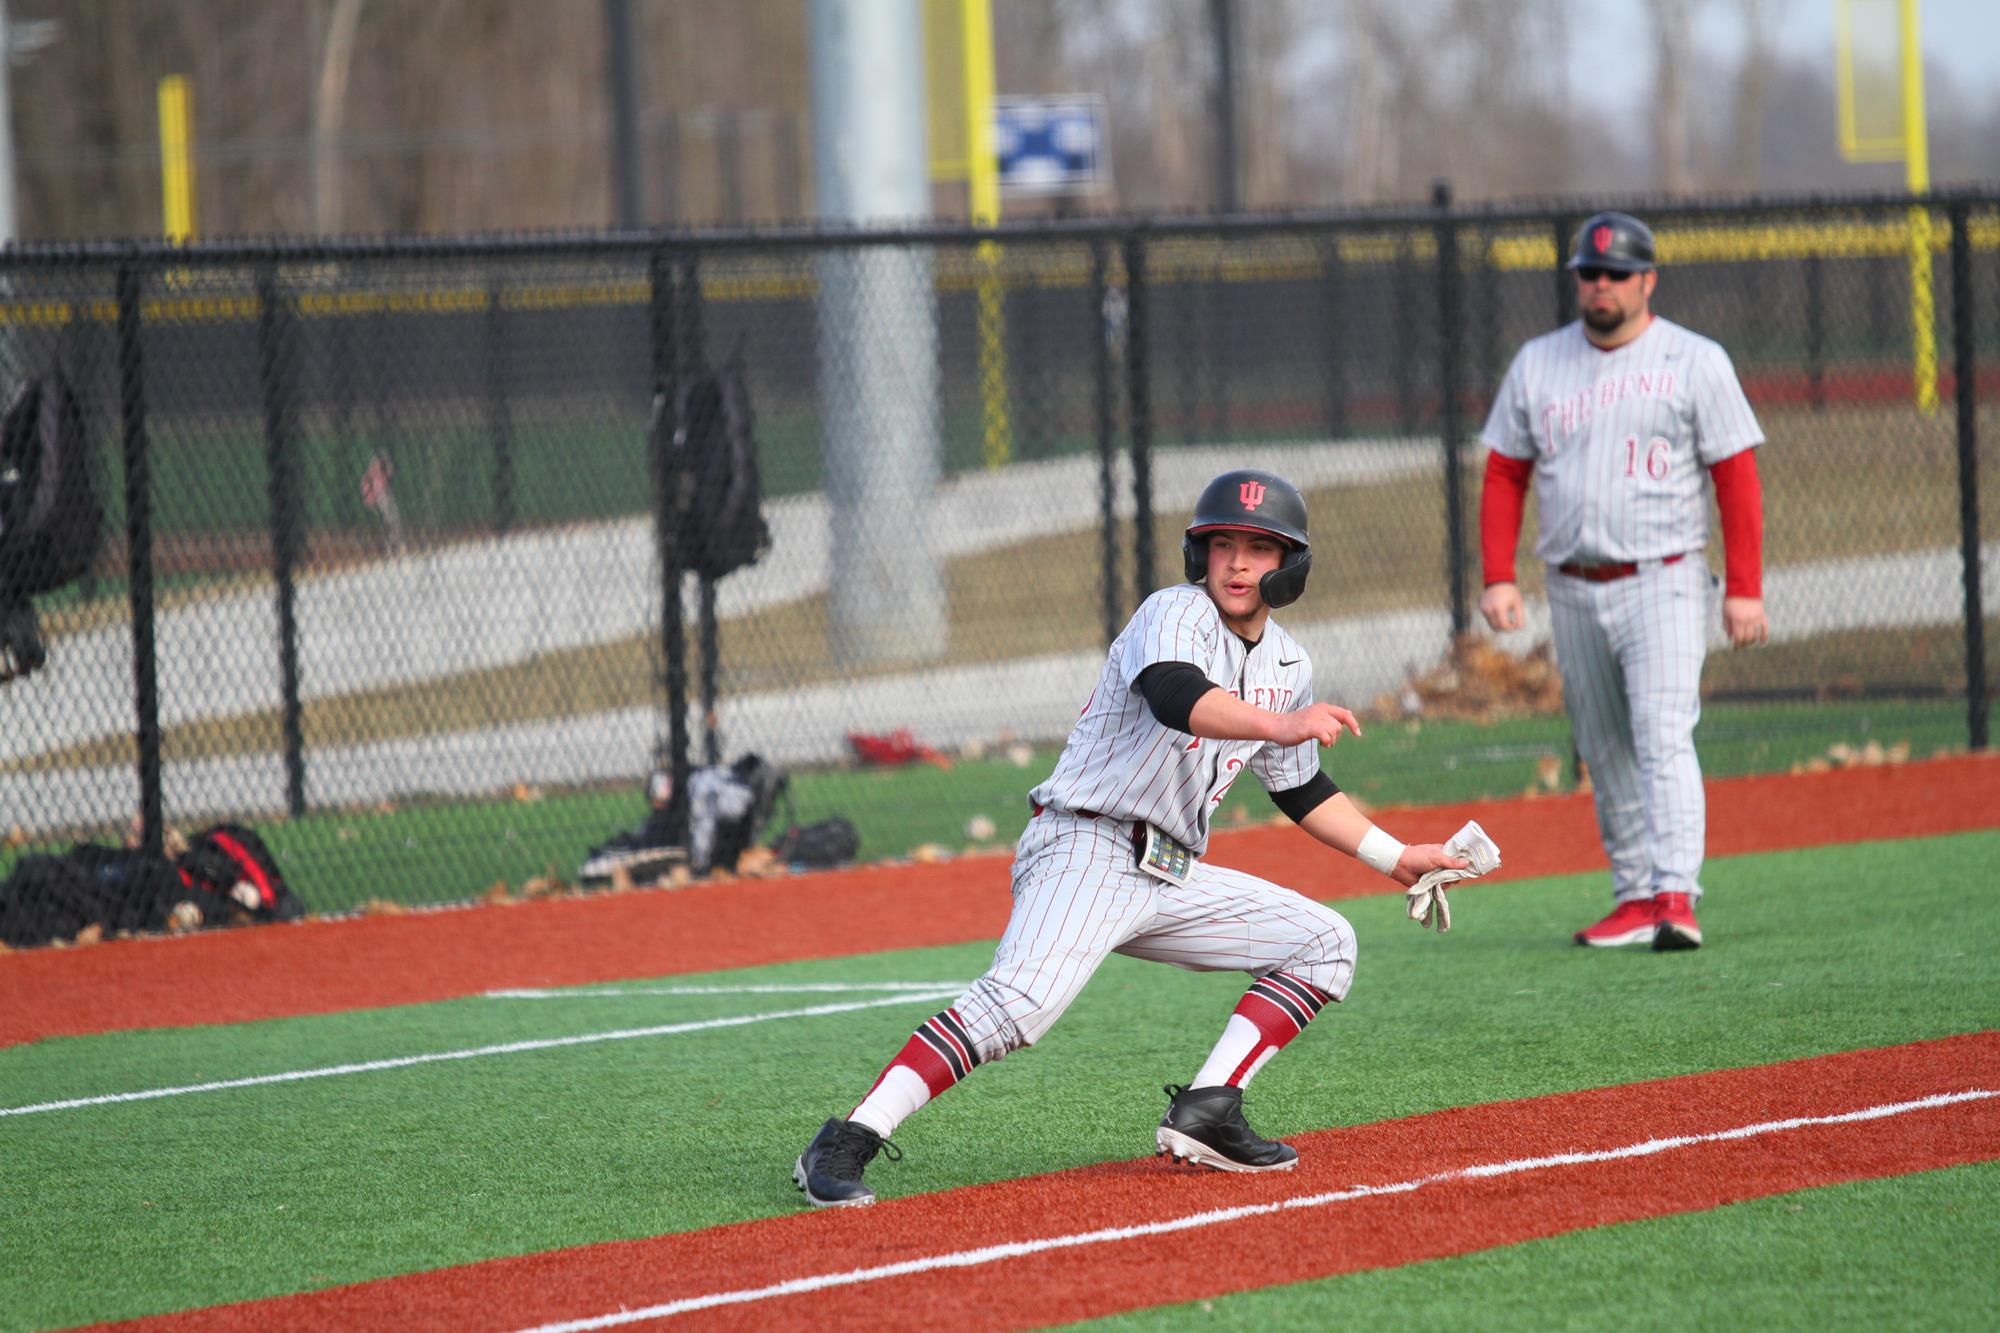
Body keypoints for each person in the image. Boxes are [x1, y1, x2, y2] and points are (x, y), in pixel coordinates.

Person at [793, 468, 1472, 1207]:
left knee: (1325, 942)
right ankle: (846, 1138)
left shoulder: (1289, 664)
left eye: (1259, 547)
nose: (1238, 563)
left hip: (1167, 869)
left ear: (1291, 565)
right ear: (1199, 555)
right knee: (1021, 1005)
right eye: (1222, 544)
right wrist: (1278, 723)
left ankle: (1209, 1110)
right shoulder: (1173, 612)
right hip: (1085, 844)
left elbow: (1299, 786)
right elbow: (1176, 694)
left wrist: (1396, 856)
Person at [1477, 211, 1767, 952]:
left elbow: (1736, 475)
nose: (1600, 283)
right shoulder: (1539, 363)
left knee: (1662, 732)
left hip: (1664, 577)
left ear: (1647, 280)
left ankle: (1676, 893)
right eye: (1589, 272)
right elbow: (1506, 471)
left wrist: (1744, 586)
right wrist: (1498, 577)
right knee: (1602, 744)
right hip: (1571, 583)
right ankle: (1635, 894)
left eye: (1614, 273)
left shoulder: (1694, 359)